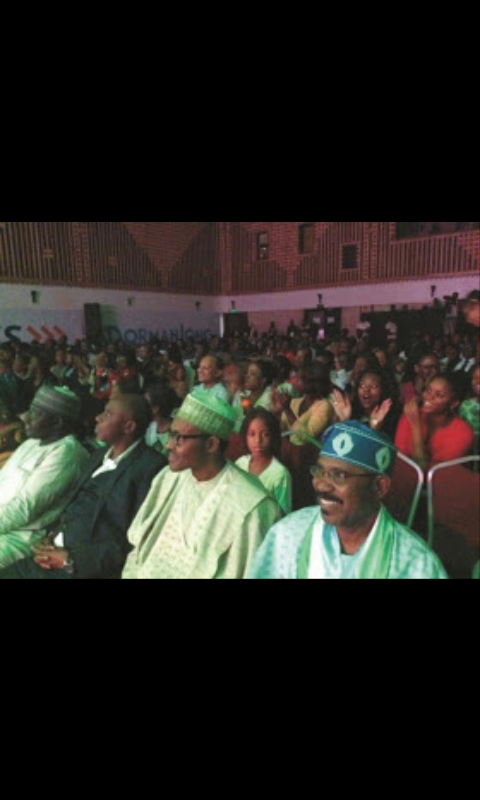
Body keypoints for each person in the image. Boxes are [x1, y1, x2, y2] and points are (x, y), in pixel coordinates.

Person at [248, 421, 447, 580]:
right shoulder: (288, 535)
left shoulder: (414, 565)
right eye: (319, 471)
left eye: (339, 475)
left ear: (379, 487)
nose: (322, 485)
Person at [0, 395, 166, 579]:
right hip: (52, 551)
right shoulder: (98, 455)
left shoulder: (150, 468)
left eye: (108, 414)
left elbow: (134, 540)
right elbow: (70, 506)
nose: (98, 417)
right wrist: (51, 536)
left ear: (128, 427)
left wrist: (70, 560)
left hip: (79, 567)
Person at [123, 391, 281, 580]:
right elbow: (137, 552)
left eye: (178, 438)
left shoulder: (253, 507)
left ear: (211, 444)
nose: (168, 445)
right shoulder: (168, 478)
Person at [0, 386, 89, 569]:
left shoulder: (66, 453)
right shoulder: (32, 443)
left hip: (20, 536)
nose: (27, 418)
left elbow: (24, 508)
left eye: (36, 413)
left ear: (56, 422)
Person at [396, 376, 475, 471]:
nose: (429, 397)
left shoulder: (463, 433)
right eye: (428, 390)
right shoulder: (413, 413)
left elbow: (426, 472)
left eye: (439, 395)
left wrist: (415, 426)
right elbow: (400, 458)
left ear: (453, 403)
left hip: (438, 483)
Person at [236, 409, 292, 515]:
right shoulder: (240, 463)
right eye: (252, 434)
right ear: (245, 436)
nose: (258, 440)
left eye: (265, 434)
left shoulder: (280, 474)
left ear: (273, 437)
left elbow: (283, 513)